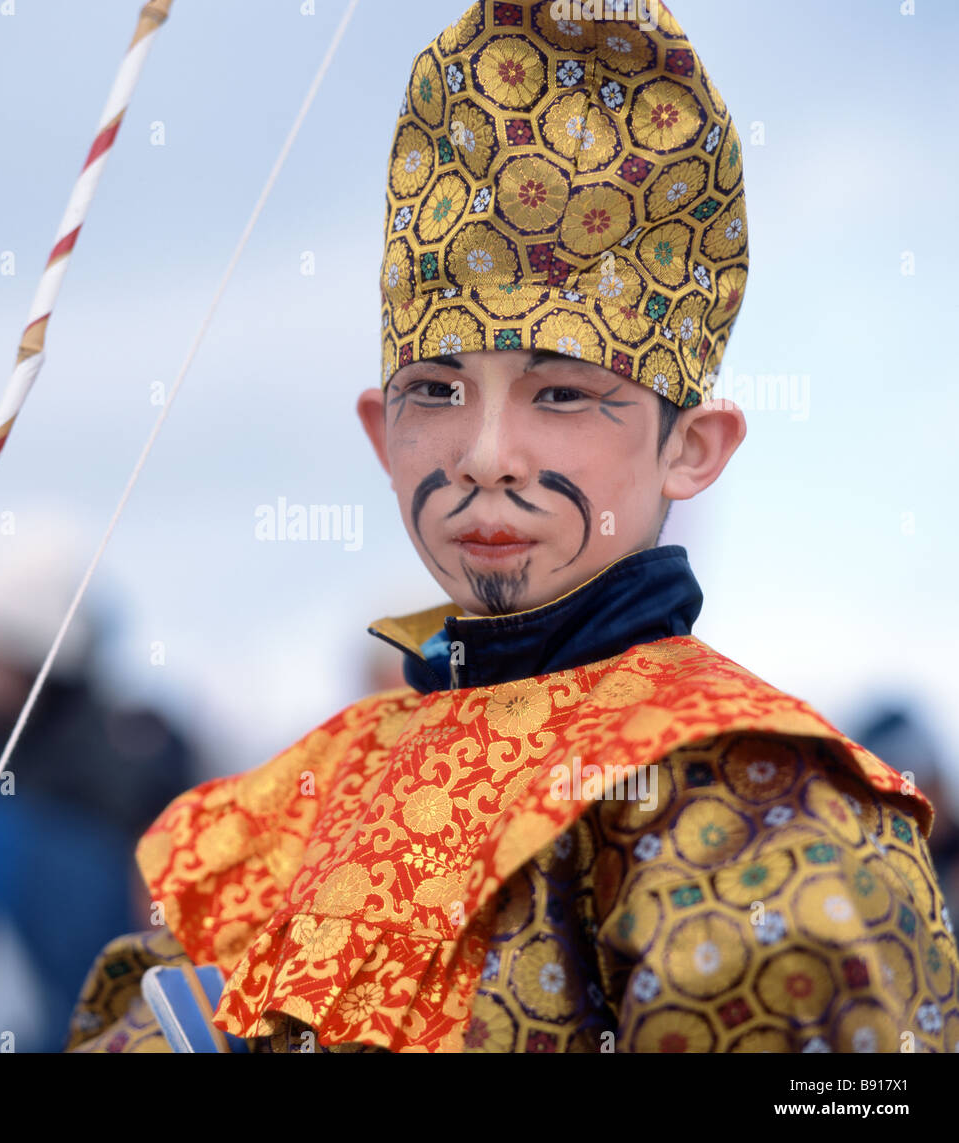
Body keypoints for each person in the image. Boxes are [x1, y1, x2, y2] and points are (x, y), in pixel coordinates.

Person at [65, 0, 959, 1053]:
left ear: (693, 448)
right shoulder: (305, 791)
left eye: (564, 396)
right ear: (378, 431)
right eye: (436, 392)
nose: (485, 453)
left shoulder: (763, 806)